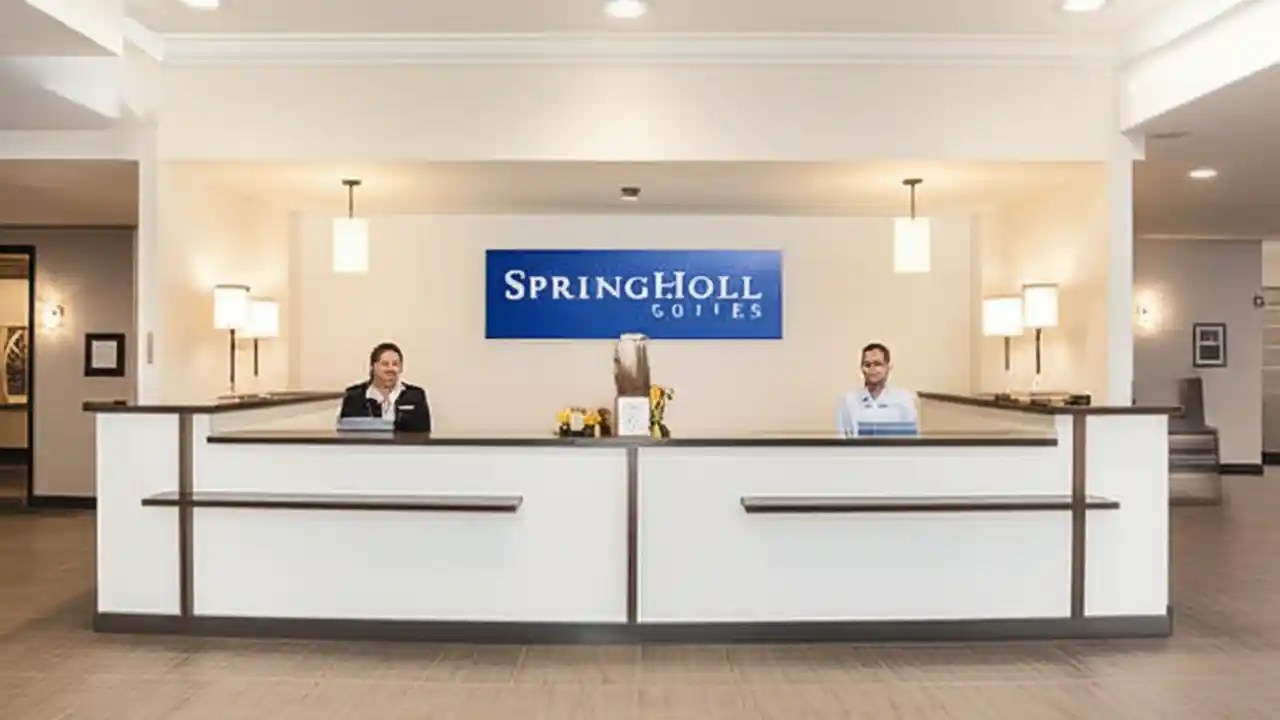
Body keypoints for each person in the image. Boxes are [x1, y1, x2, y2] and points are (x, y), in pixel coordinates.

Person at [339, 342, 432, 432]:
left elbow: (424, 433)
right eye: (385, 364)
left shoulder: (415, 396)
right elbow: (346, 433)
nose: (390, 369)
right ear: (373, 367)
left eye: (395, 364)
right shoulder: (354, 396)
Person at [837, 342, 917, 437]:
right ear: (862, 369)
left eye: (877, 364)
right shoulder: (848, 400)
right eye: (867, 364)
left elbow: (911, 441)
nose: (872, 369)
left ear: (888, 368)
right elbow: (842, 441)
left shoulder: (904, 398)